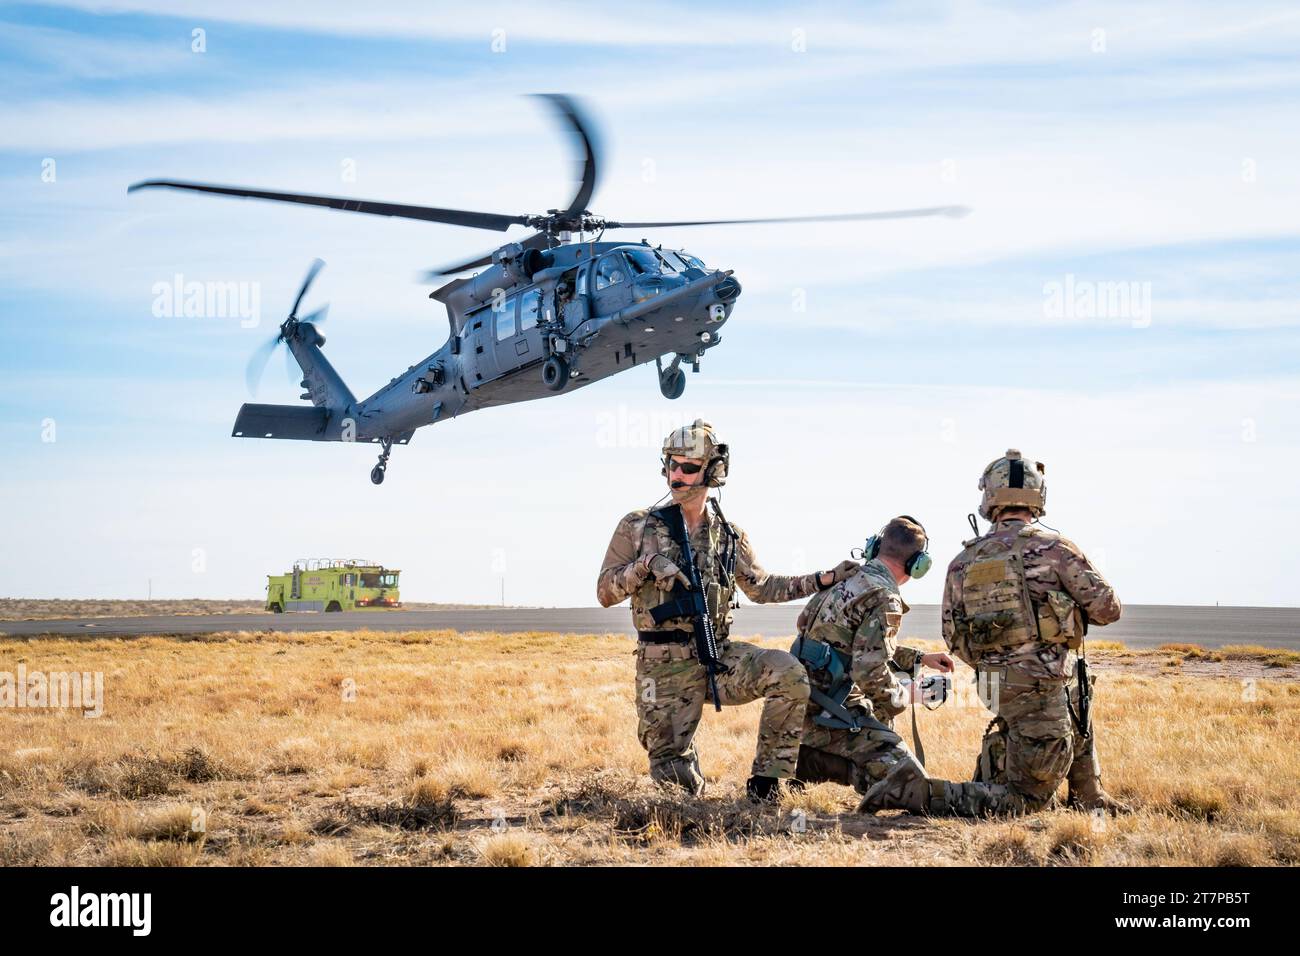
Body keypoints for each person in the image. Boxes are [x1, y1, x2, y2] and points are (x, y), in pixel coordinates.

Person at [596, 419, 859, 802]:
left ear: (712, 471)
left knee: (788, 673)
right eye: (671, 464)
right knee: (676, 783)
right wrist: (645, 566)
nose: (676, 475)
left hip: (717, 657)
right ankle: (687, 776)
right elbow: (604, 591)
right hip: (663, 667)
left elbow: (764, 587)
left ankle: (766, 784)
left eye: (688, 467)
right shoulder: (638, 526)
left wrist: (825, 577)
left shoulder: (728, 534)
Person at [859, 449, 1128, 816]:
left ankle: (1087, 794)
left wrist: (996, 661)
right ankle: (915, 792)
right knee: (1027, 802)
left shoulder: (963, 562)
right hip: (1041, 688)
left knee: (1079, 688)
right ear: (1038, 497)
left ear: (989, 499)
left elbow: (954, 636)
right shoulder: (1057, 550)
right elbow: (1108, 610)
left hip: (997, 686)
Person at [792, 516, 954, 797]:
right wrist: (909, 695)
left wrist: (920, 658)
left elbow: (830, 637)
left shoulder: (843, 577)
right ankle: (819, 760)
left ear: (876, 546)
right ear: (918, 564)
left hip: (800, 707)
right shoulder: (884, 596)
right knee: (911, 785)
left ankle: (810, 756)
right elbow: (869, 669)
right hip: (829, 717)